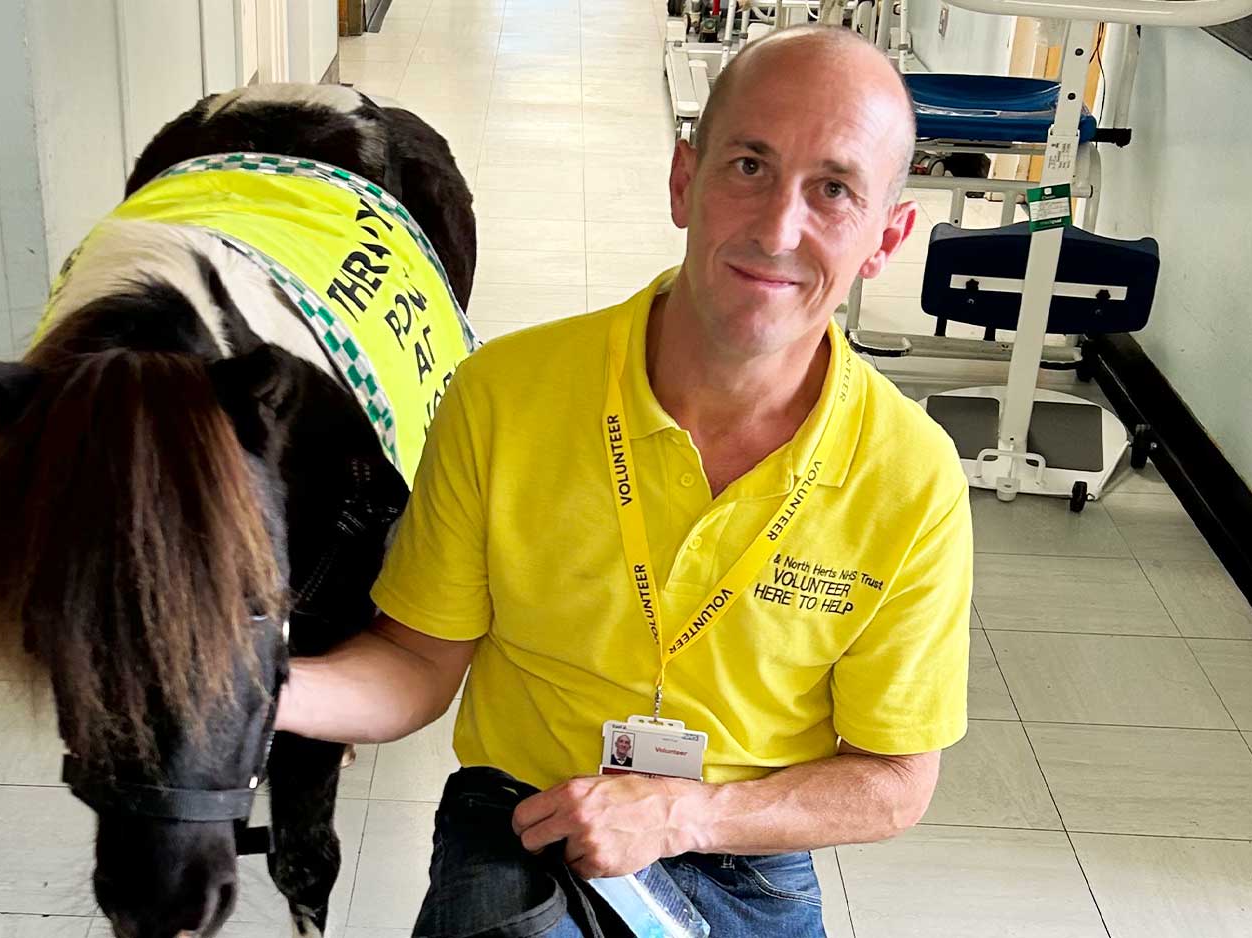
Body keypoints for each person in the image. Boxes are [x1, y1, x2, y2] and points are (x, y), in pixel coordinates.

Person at [276, 25, 972, 937]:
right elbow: (414, 663)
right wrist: (250, 692)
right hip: (528, 817)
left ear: (888, 235)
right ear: (685, 178)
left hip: (748, 848)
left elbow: (894, 781)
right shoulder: (506, 396)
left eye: (834, 190)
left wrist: (685, 814)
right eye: (749, 166)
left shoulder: (911, 475)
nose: (777, 229)